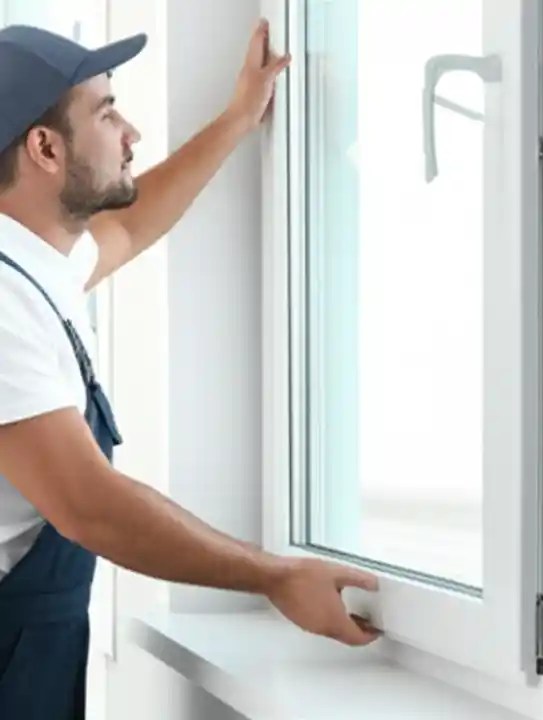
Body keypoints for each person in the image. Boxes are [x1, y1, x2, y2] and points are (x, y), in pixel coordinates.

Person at [0, 21, 379, 718]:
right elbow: (90, 505)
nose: (131, 132)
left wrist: (238, 119)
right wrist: (275, 575)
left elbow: (130, 227)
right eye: (107, 111)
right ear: (45, 147)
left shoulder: (34, 264)